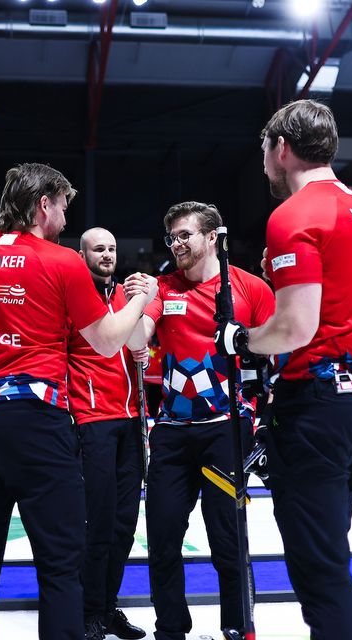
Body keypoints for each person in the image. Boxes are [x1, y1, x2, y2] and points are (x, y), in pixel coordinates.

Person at [0, 162, 157, 640]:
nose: (65, 220)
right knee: (60, 564)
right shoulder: (61, 261)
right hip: (36, 422)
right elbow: (107, 343)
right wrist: (139, 302)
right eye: (63, 208)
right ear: (43, 204)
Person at [215, 99, 352, 639]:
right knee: (329, 558)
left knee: (320, 572)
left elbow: (294, 330)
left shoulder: (294, 214)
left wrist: (241, 341)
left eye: (264, 151)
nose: (264, 164)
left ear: (281, 148)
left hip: (317, 407)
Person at [125, 201, 275, 640]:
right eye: (171, 236)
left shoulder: (249, 289)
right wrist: (140, 300)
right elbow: (137, 342)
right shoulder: (163, 288)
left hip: (228, 432)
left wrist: (268, 420)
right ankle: (170, 631)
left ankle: (236, 630)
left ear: (212, 237)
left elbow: (278, 352)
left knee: (229, 544)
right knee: (163, 542)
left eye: (184, 234)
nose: (176, 243)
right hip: (170, 436)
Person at [68, 227, 148, 640]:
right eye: (98, 248)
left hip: (130, 421)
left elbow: (138, 344)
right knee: (97, 526)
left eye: (113, 248)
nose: (107, 254)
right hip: (92, 420)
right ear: (82, 255)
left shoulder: (124, 294)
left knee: (124, 526)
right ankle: (88, 611)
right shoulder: (73, 296)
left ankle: (108, 605)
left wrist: (141, 302)